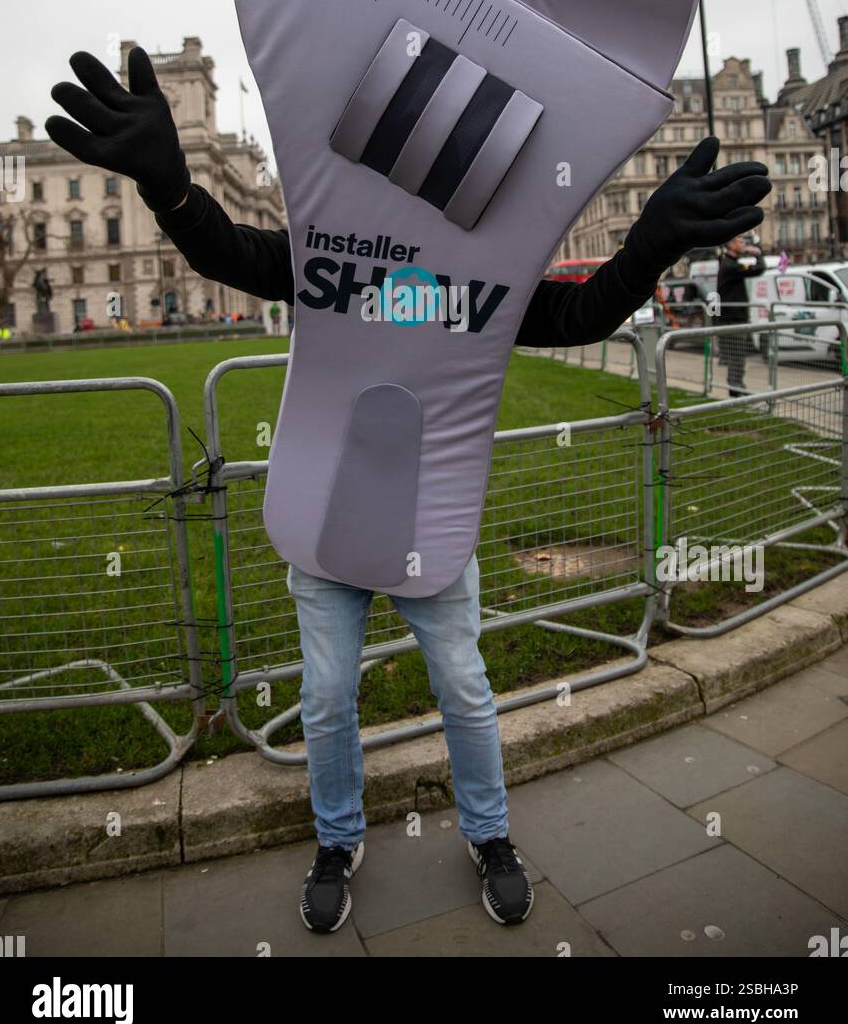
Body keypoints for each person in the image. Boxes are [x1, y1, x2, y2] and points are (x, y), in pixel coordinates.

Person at [45, 47, 770, 932]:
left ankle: (491, 833)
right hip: (326, 508)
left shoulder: (479, 277)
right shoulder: (334, 249)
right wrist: (170, 187)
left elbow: (575, 315)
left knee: (463, 685)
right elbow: (230, 250)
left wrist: (644, 252)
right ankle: (337, 838)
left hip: (429, 508)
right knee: (324, 695)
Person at [715, 234, 767, 396]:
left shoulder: (730, 264)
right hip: (732, 320)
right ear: (730, 245)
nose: (743, 243)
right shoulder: (730, 266)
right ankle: (736, 389)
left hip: (733, 318)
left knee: (737, 357)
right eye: (739, 241)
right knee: (737, 357)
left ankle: (737, 388)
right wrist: (758, 254)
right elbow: (758, 269)